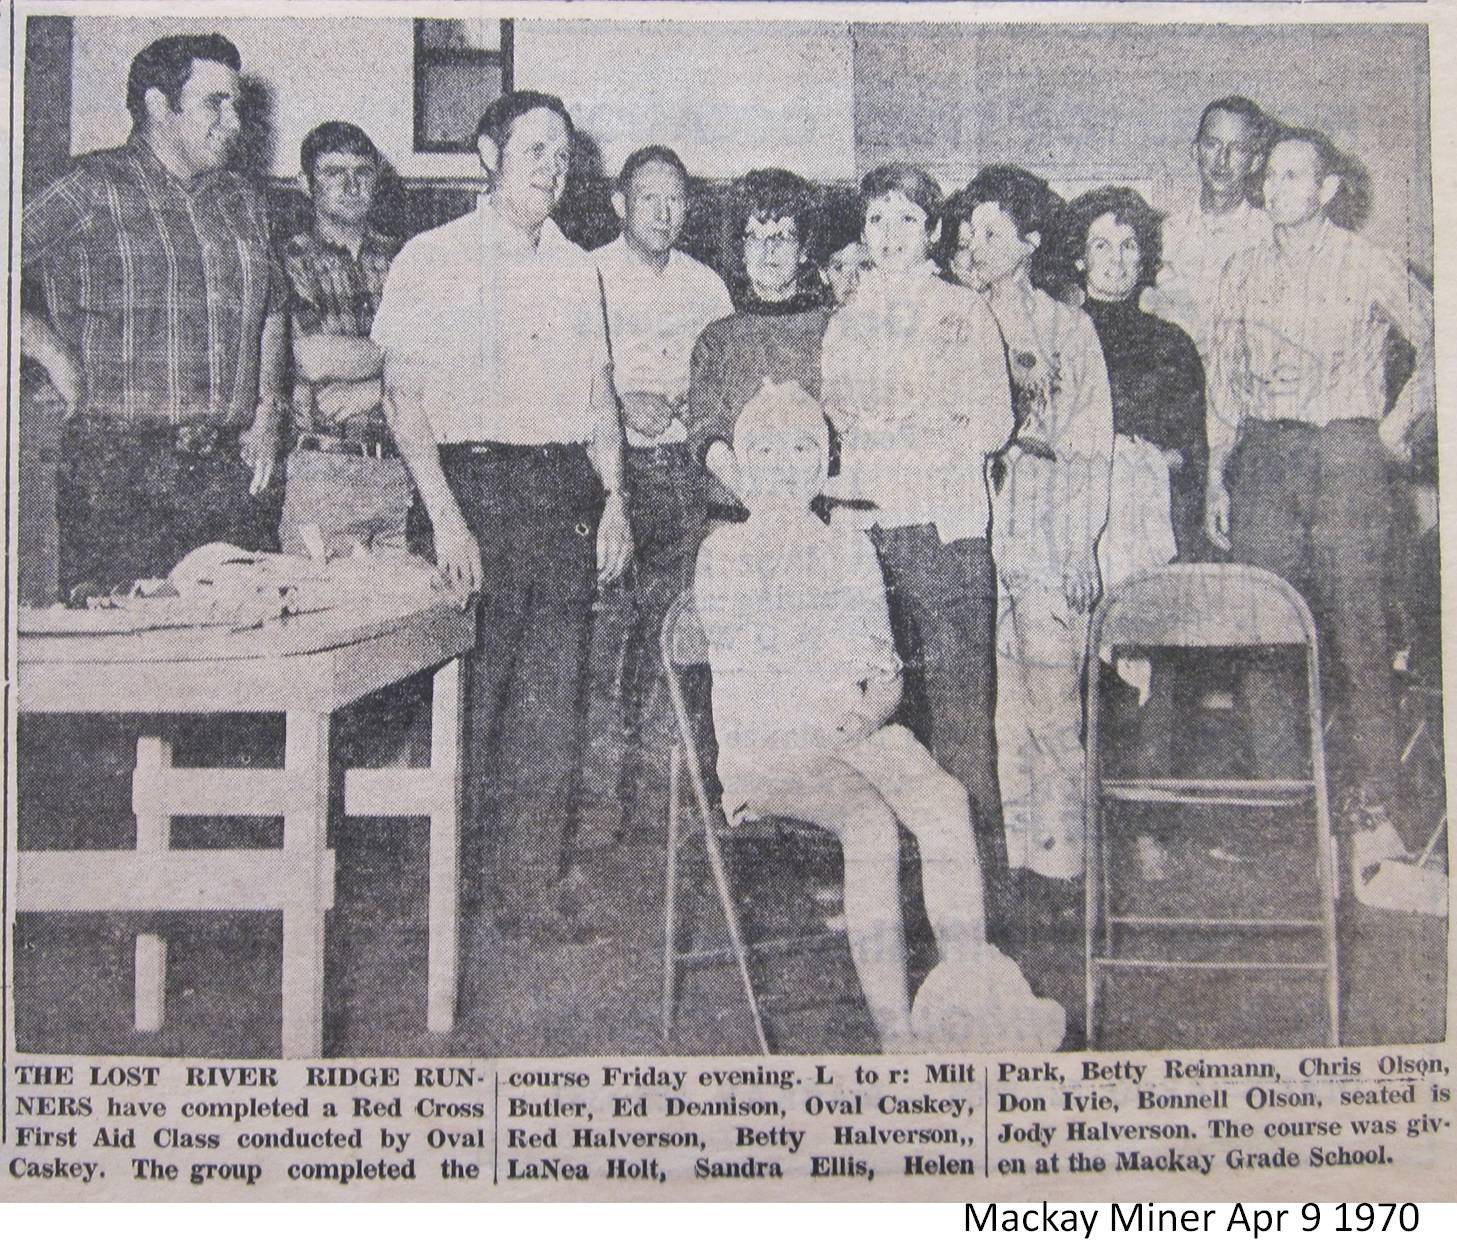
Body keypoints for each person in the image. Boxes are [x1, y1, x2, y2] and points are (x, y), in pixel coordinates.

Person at [695, 380, 1060, 1053]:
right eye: (767, 450)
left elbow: (883, 673)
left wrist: (870, 709)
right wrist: (834, 723)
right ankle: (898, 1034)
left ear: (826, 462)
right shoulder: (726, 553)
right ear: (744, 464)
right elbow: (753, 673)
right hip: (772, 747)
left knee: (944, 801)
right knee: (869, 823)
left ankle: (969, 1006)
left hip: (853, 732)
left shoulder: (849, 547)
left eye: (803, 447)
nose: (785, 463)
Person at [372, 90, 632, 942]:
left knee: (551, 711)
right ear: (488, 152)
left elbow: (600, 400)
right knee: (468, 707)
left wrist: (616, 504)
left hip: (562, 496)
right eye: (535, 152)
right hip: (472, 493)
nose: (552, 172)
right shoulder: (432, 256)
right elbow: (402, 400)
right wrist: (444, 519)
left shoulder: (577, 266)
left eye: (563, 157)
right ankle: (444, 900)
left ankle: (526, 896)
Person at [1205, 126, 1434, 849]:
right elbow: (1221, 383)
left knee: (1357, 634)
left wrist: (1394, 427)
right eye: (1269, 175)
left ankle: (1385, 817)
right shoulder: (1239, 269)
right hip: (1266, 456)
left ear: (1327, 189)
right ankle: (1283, 815)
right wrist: (1218, 472)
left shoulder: (1366, 262)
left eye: (1293, 175)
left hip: (1344, 453)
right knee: (1264, 629)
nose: (1275, 188)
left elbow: (1438, 343)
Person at [819, 164, 1016, 939]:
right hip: (864, 535)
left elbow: (991, 425)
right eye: (877, 221)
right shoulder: (845, 321)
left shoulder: (963, 312)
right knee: (873, 716)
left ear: (932, 230)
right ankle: (884, 901)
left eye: (907, 220)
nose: (891, 236)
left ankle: (976, 921)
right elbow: (837, 423)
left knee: (961, 721)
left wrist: (917, 447)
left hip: (944, 534)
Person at [20, 32, 287, 598]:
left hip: (227, 472)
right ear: (158, 106)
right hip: (118, 471)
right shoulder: (89, 187)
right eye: (215, 101)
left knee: (237, 661)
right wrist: (47, 349)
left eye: (236, 103)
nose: (233, 121)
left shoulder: (246, 202)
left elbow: (272, 311)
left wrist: (269, 407)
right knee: (133, 666)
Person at [941, 166, 1114, 898]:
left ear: (1030, 242)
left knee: (1051, 703)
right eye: (967, 232)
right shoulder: (950, 318)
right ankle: (1010, 863)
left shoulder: (1066, 328)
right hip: (975, 527)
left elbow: (1092, 442)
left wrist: (1079, 546)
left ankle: (1063, 864)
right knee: (996, 710)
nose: (973, 246)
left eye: (991, 233)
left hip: (1045, 529)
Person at [593, 145, 733, 832]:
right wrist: (621, 405)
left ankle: (668, 803)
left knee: (677, 628)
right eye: (647, 197)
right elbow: (558, 375)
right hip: (609, 478)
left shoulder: (707, 287)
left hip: (685, 475)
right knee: (607, 637)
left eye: (675, 197)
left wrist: (689, 403)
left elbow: (725, 383)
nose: (662, 210)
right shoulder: (586, 274)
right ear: (620, 203)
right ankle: (603, 806)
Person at [1055, 186, 1207, 578]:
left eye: (1129, 246)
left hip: (1147, 523)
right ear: (1079, 257)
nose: (1117, 260)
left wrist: (1142, 463)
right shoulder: (1057, 336)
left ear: (1143, 257)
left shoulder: (1172, 343)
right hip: (1068, 514)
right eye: (1102, 246)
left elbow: (1189, 452)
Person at [278, 121, 410, 559]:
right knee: (321, 612)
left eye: (362, 172)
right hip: (324, 471)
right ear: (306, 183)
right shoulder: (287, 257)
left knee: (408, 617)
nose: (351, 185)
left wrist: (373, 386)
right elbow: (313, 358)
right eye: (334, 172)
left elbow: (450, 356)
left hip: (403, 467)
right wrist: (405, 363)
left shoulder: (409, 260)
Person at [687, 168, 831, 516]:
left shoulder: (835, 328)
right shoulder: (717, 339)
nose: (768, 249)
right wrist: (756, 499)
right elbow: (706, 433)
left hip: (819, 516)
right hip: (738, 513)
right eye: (755, 236)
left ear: (803, 250)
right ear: (741, 250)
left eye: (782, 236)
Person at [1145, 95, 1273, 364]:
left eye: (1237, 149)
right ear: (1195, 151)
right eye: (1212, 144)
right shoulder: (1164, 234)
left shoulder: (1270, 236)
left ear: (1255, 161)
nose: (1221, 160)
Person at [816, 197, 873, 309]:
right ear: (823, 273)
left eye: (864, 266)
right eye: (839, 267)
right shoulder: (818, 323)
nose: (852, 280)